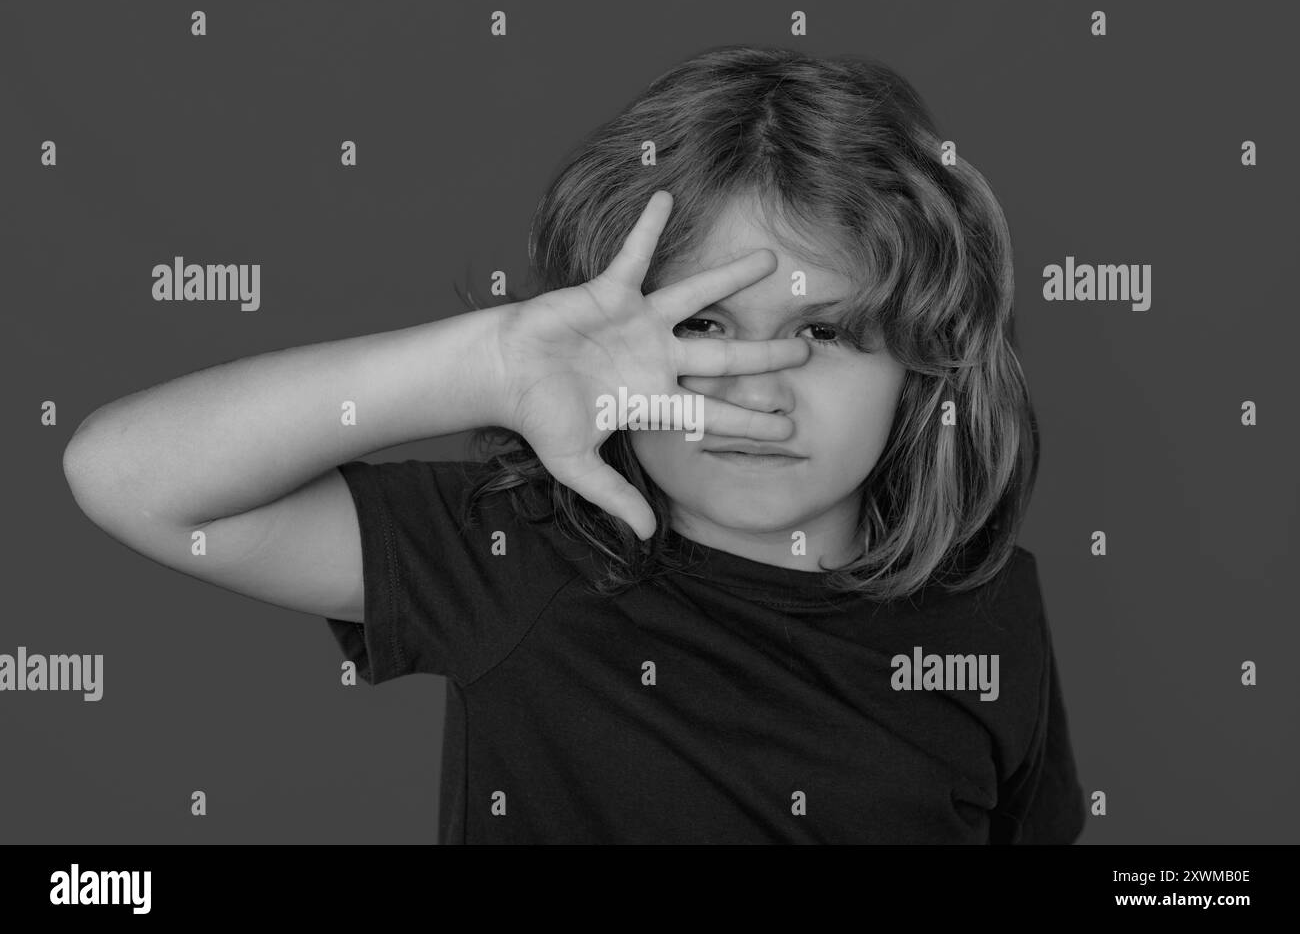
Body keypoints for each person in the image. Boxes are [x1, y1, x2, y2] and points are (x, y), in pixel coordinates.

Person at [62, 44, 1085, 844]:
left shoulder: (991, 611)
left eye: (821, 333)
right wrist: (493, 363)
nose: (756, 389)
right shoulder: (519, 554)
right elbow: (126, 475)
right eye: (702, 327)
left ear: (923, 364)